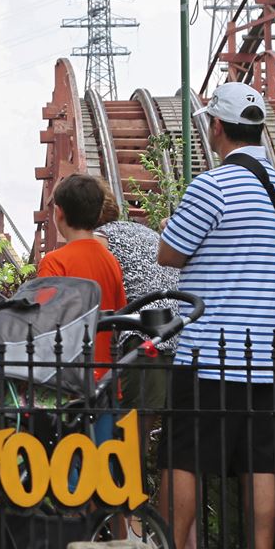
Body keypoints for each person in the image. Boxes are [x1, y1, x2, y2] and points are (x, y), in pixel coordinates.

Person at [157, 82, 275, 549]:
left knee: (182, 457)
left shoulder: (214, 185)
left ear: (218, 128)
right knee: (261, 462)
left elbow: (170, 254)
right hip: (264, 351)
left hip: (209, 348)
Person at [37, 174, 126, 443]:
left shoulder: (54, 262)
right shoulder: (109, 260)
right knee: (103, 462)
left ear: (59, 213)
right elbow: (119, 311)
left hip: (68, 382)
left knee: (68, 463)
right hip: (106, 377)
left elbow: (44, 322)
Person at [93, 180, 180, 443]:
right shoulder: (145, 232)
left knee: (127, 438)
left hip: (144, 334)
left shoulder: (101, 237)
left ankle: (125, 481)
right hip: (177, 333)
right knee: (158, 435)